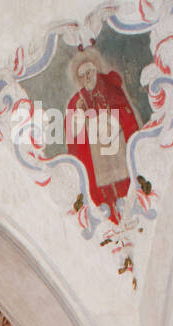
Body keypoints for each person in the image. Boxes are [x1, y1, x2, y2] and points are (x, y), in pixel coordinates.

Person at [66, 48, 140, 225]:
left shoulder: (111, 88)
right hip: (97, 157)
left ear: (96, 71)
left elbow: (126, 113)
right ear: (78, 79)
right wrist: (81, 116)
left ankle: (131, 210)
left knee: (125, 183)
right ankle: (112, 218)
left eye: (90, 72)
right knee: (105, 191)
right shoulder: (76, 101)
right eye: (83, 75)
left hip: (118, 147)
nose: (87, 78)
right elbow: (73, 135)